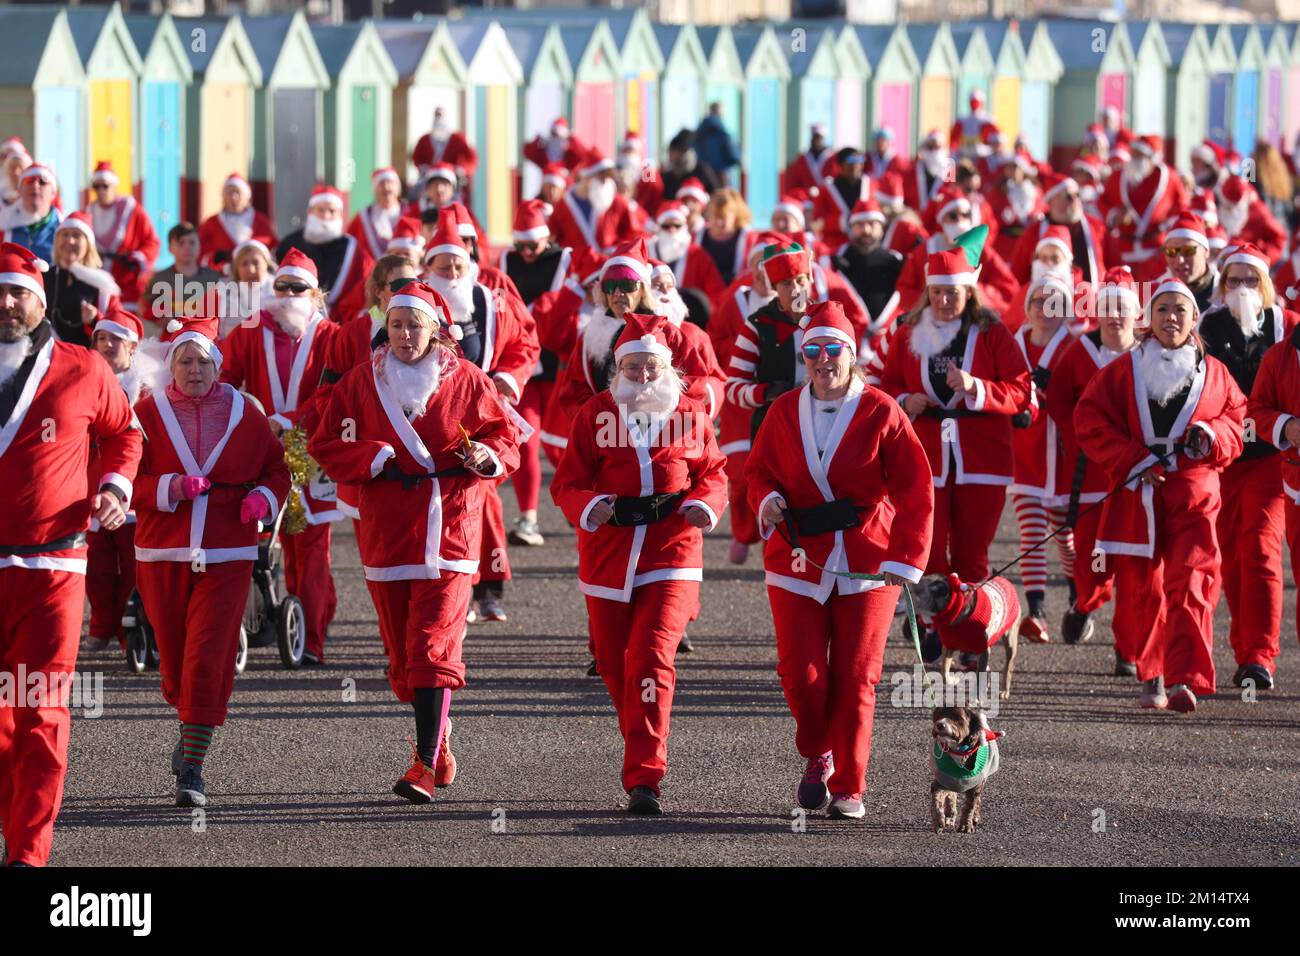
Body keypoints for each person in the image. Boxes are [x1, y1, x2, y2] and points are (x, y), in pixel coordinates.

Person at [310, 281, 519, 803]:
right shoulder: (361, 382)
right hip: (387, 532)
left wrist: (486, 459)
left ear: (436, 330)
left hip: (451, 524)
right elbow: (326, 443)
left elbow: (505, 436)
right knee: (404, 660)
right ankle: (440, 743)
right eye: (398, 324)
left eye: (416, 325)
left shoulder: (468, 379)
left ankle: (422, 765)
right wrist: (371, 458)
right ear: (387, 327)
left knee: (433, 647)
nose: (406, 335)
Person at [747, 300, 933, 820]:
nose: (823, 360)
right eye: (813, 351)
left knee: (857, 677)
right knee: (800, 674)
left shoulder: (882, 410)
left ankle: (850, 785)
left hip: (868, 557)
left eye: (834, 349)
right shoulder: (783, 410)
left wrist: (908, 558)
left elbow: (916, 487)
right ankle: (818, 752)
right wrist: (767, 500)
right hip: (798, 554)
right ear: (802, 357)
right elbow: (758, 472)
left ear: (852, 355)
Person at [0, 241, 141, 866]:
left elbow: (125, 433)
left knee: (40, 710)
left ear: (40, 300)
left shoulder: (82, 367)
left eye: (18, 293)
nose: (6, 304)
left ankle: (29, 852)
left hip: (54, 565)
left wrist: (115, 484)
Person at [551, 313, 726, 813]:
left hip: (673, 549)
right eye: (633, 368)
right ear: (617, 370)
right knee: (611, 662)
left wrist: (705, 504)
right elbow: (566, 483)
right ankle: (641, 742)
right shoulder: (594, 415)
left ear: (667, 369)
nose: (643, 377)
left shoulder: (691, 412)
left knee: (650, 656)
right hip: (609, 552)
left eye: (652, 367)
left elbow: (714, 472)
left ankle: (646, 775)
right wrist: (589, 506)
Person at [132, 316, 290, 806]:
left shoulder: (245, 412)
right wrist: (169, 488)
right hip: (162, 551)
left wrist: (263, 499)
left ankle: (193, 770)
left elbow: (276, 470)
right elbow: (119, 479)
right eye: (184, 360)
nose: (194, 369)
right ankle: (189, 724)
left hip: (228, 551)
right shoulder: (145, 414)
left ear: (218, 366)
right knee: (177, 663)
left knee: (209, 654)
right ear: (170, 366)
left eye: (203, 361)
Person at [1075, 279, 1245, 713]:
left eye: (1180, 310)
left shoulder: (1216, 372)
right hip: (1139, 491)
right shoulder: (1123, 368)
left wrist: (1211, 435)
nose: (1171, 317)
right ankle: (1151, 673)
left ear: (1194, 319)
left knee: (1191, 581)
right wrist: (1132, 459)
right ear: (1148, 318)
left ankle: (1186, 678)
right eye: (1163, 309)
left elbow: (1239, 421)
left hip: (1194, 491)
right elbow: (1088, 417)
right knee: (1142, 588)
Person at [879, 244, 1031, 660]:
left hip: (982, 455)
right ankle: (932, 624)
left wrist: (977, 388)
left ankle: (974, 628)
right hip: (925, 452)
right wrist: (905, 398)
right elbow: (883, 384)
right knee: (930, 547)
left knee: (971, 551)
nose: (946, 301)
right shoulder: (906, 332)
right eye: (938, 293)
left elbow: (1021, 390)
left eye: (955, 292)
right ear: (927, 292)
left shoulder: (993, 333)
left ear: (970, 292)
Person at [219, 249, 341, 665]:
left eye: (298, 288)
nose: (288, 294)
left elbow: (335, 394)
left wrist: (292, 419)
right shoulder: (251, 329)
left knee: (311, 547)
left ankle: (311, 640)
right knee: (271, 542)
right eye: (282, 286)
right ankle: (280, 619)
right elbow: (225, 379)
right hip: (264, 452)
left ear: (316, 294)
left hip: (315, 451)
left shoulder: (331, 336)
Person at [421, 210, 539, 623]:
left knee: (482, 499)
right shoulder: (416, 304)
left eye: (459, 262)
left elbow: (524, 341)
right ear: (428, 266)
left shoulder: (491, 299)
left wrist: (507, 378)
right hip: (429, 418)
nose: (453, 270)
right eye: (444, 264)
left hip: (483, 412)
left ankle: (487, 586)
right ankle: (455, 586)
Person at [1198, 245, 1298, 690]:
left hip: (1269, 461)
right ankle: (1244, 650)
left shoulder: (1287, 328)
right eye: (1233, 280)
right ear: (1221, 287)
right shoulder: (1205, 327)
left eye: (1251, 279)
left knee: (1260, 550)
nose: (1242, 288)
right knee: (1230, 558)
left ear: (1267, 285)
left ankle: (1260, 655)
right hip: (1220, 460)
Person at [1045, 266, 1140, 660]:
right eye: (1108, 307)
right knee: (1092, 558)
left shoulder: (1148, 352)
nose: (1115, 315)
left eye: (1123, 307)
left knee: (1136, 567)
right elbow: (1057, 401)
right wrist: (1085, 433)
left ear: (1136, 313)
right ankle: (1086, 602)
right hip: (1089, 477)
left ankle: (1130, 650)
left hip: (1137, 477)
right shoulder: (1080, 351)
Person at [83, 306, 165, 654]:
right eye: (100, 338)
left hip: (133, 495)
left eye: (115, 339)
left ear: (133, 348)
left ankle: (133, 632)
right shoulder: (81, 384)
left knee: (135, 569)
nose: (106, 345)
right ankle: (103, 624)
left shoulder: (147, 395)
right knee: (96, 569)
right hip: (88, 493)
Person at [1008, 271, 1078, 642]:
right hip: (1026, 450)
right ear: (1028, 306)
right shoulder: (1012, 342)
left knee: (1065, 535)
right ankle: (1035, 609)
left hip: (1063, 452)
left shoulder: (1076, 344)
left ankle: (1076, 593)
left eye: (1055, 303)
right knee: (1031, 530)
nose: (1045, 309)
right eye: (1039, 301)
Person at [498, 199, 573, 548]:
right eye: (521, 245)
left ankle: (580, 504)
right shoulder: (505, 262)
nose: (526, 252)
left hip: (559, 364)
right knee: (526, 439)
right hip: (524, 366)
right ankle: (528, 516)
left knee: (565, 444)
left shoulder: (565, 260)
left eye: (534, 245)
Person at [275, 186, 368, 319]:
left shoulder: (353, 249)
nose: (326, 216)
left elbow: (366, 286)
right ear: (309, 211)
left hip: (341, 320)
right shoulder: (290, 244)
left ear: (341, 215)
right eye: (320, 210)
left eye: (332, 211)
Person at [1099, 135, 1187, 274]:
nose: (1134, 160)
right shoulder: (1117, 177)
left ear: (1153, 158)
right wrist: (1115, 215)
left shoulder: (1170, 179)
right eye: (1133, 155)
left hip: (1156, 250)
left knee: (1151, 291)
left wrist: (1167, 224)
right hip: (1123, 250)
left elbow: (1182, 207)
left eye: (1140, 156)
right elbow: (1103, 202)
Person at [829, 198, 905, 352]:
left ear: (882, 227)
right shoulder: (833, 259)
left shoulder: (897, 261)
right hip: (845, 345)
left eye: (872, 224)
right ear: (851, 227)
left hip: (888, 344)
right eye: (860, 224)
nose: (866, 230)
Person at [84, 162, 159, 312]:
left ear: (114, 186)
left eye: (105, 186)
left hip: (126, 282)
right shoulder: (88, 212)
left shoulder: (132, 211)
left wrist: (138, 257)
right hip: (96, 281)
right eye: (96, 187)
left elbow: (152, 242)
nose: (100, 191)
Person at [1010, 172, 1107, 286]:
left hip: (1089, 299)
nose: (1076, 200)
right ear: (1052, 201)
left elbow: (1114, 265)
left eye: (1078, 195)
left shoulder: (1097, 228)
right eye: (1069, 197)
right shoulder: (1033, 234)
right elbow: (1016, 276)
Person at [546, 148, 646, 256]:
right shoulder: (563, 205)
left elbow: (634, 235)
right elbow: (552, 240)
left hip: (609, 266)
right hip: (574, 268)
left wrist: (617, 250)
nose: (607, 182)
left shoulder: (618, 202)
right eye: (602, 178)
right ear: (587, 177)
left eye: (608, 178)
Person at [44, 212, 121, 348]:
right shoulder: (44, 276)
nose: (70, 240)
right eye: (65, 234)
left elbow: (118, 325)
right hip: (50, 356)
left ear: (88, 244)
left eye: (76, 235)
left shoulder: (103, 284)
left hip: (88, 357)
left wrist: (95, 319)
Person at [139, 222, 224, 335]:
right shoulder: (159, 279)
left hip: (206, 337)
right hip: (170, 339)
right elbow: (144, 310)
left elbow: (223, 311)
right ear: (170, 247)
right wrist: (159, 320)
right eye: (181, 243)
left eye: (192, 242)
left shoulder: (214, 278)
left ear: (200, 245)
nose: (187, 247)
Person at [647, 201, 724, 303]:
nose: (672, 230)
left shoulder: (698, 255)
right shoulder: (646, 252)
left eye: (677, 225)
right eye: (666, 226)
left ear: (684, 226)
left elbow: (716, 294)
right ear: (659, 227)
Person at [197, 173, 276, 271]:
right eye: (229, 193)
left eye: (238, 192)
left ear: (247, 196)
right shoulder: (211, 223)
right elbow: (200, 252)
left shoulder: (260, 221)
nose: (233, 197)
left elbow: (271, 247)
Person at [1215, 173, 1287, 264]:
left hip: (1246, 268)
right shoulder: (1215, 204)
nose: (1231, 210)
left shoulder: (1259, 212)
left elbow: (1279, 238)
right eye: (1227, 207)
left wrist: (1261, 260)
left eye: (1234, 207)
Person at [0, 164, 62, 263]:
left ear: (53, 193)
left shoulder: (65, 230)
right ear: (20, 190)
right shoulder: (3, 226)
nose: (35, 185)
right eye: (29, 180)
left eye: (43, 182)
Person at [1157, 213, 1217, 314]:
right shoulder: (1153, 290)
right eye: (1171, 251)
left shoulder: (1225, 293)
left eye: (1188, 251)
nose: (1179, 260)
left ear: (1206, 252)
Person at [411, 106, 478, 197]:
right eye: (437, 116)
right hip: (431, 182)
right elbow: (417, 158)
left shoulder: (458, 139)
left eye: (441, 116)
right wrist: (422, 167)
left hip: (452, 183)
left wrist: (462, 170)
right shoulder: (424, 140)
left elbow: (472, 159)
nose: (439, 120)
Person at [347, 167, 408, 262]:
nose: (386, 187)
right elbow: (349, 244)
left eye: (390, 182)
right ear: (375, 189)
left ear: (398, 188)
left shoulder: (410, 213)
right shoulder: (363, 217)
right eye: (381, 183)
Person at [812, 150, 868, 252]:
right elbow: (817, 222)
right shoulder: (827, 189)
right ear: (841, 164)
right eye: (851, 161)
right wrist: (844, 221)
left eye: (860, 160)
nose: (856, 165)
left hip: (865, 245)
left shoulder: (870, 185)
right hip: (835, 246)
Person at [696, 188, 752, 288]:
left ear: (735, 216)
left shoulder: (748, 238)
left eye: (723, 218)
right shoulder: (697, 236)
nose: (719, 223)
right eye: (715, 217)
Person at [660, 128, 722, 202]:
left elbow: (716, 193)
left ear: (681, 151)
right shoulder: (668, 174)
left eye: (671, 151)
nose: (669, 155)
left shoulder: (701, 170)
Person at [781, 123, 838, 197]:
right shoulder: (802, 159)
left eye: (819, 138)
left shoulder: (833, 158)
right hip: (807, 199)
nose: (817, 141)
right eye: (815, 137)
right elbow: (795, 183)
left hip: (828, 198)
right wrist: (807, 192)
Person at [694, 102, 741, 186]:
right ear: (720, 112)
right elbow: (733, 154)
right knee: (724, 196)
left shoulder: (700, 131)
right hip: (722, 172)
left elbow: (695, 148)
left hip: (703, 172)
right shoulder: (722, 131)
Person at [523, 117, 589, 175]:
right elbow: (527, 152)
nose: (555, 138)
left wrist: (573, 138)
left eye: (557, 135)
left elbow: (585, 156)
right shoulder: (543, 155)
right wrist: (537, 140)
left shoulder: (570, 155)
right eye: (553, 134)